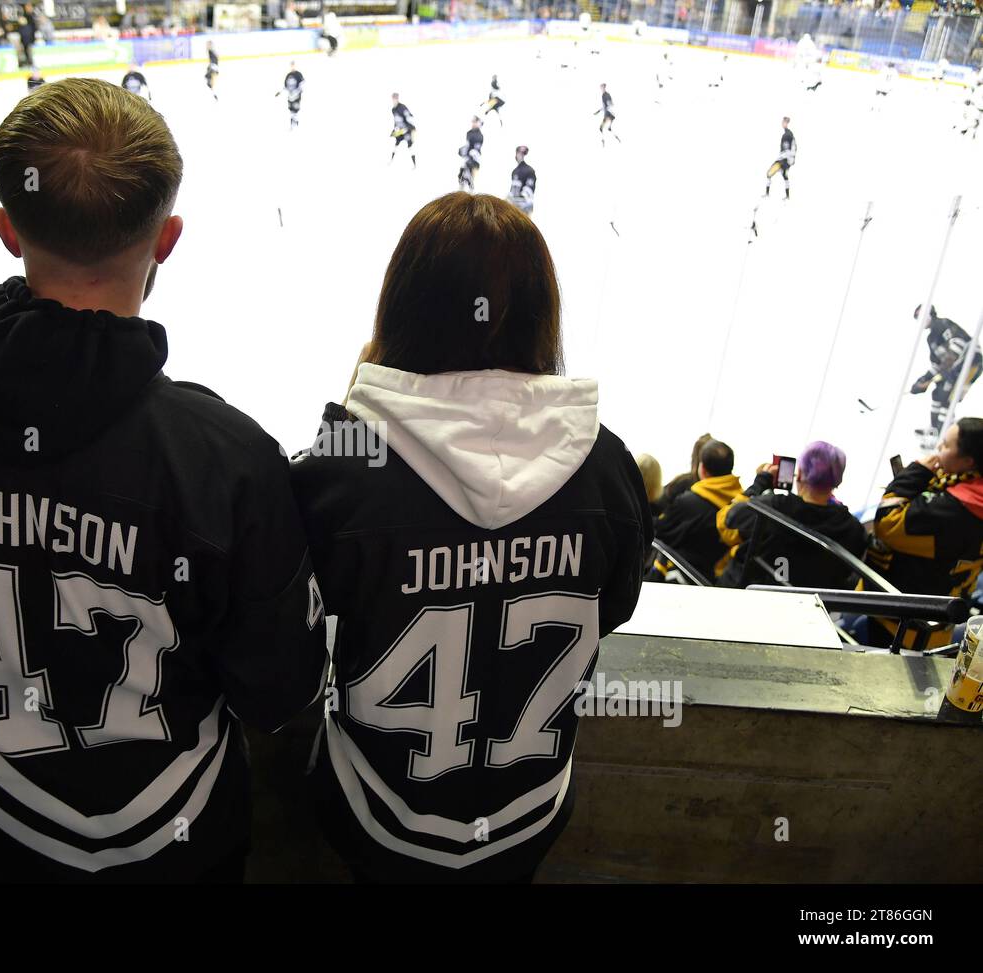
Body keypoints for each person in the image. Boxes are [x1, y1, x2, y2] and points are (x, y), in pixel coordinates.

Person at [0, 78, 327, 882]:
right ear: (167, 239)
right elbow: (281, 693)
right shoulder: (224, 458)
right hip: (180, 832)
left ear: (7, 230)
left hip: (12, 819)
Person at [291, 191, 651, 883]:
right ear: (543, 313)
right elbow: (614, 605)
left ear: (403, 305)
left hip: (373, 815)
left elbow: (299, 626)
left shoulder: (344, 459)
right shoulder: (608, 467)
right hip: (530, 816)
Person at [864, 419, 983, 649]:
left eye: (946, 446)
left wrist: (915, 473)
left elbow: (886, 522)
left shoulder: (951, 510)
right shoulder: (970, 494)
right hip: (937, 623)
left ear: (968, 462)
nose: (939, 449)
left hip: (901, 626)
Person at [716, 442, 866, 590]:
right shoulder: (853, 529)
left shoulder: (773, 507)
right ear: (838, 480)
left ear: (799, 474)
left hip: (752, 597)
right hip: (810, 608)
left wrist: (760, 483)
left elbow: (725, 522)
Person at [647, 440, 741, 582]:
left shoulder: (688, 502)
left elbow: (661, 530)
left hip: (684, 574)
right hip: (720, 579)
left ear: (701, 469)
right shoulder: (741, 504)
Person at [910, 304, 982, 446]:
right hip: (955, 369)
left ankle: (944, 438)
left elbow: (958, 345)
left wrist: (943, 371)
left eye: (922, 315)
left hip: (971, 363)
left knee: (948, 397)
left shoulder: (942, 324)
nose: (920, 319)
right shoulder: (931, 339)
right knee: (938, 393)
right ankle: (935, 430)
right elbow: (937, 365)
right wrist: (924, 380)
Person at [764, 116, 795, 200]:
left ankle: (767, 194)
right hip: (786, 161)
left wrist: (785, 160)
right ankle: (787, 196)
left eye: (783, 122)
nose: (782, 123)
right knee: (785, 177)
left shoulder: (787, 135)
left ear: (786, 123)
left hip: (783, 161)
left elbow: (788, 149)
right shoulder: (788, 134)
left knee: (769, 174)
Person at [388, 92, 416, 167]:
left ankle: (414, 164)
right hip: (399, 131)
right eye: (393, 98)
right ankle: (391, 161)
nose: (394, 100)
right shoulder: (393, 110)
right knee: (395, 145)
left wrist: (411, 127)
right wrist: (395, 129)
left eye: (396, 98)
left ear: (398, 99)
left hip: (406, 130)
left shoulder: (402, 107)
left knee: (410, 147)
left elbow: (409, 116)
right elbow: (396, 121)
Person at [508, 145, 536, 214]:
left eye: (523, 153)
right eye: (519, 153)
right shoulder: (515, 171)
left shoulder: (530, 170)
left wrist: (520, 199)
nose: (520, 155)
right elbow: (512, 190)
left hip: (524, 206)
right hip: (514, 205)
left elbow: (529, 189)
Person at [457, 115, 482, 191]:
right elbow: (467, 146)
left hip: (474, 161)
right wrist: (462, 150)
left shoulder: (479, 135)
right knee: (461, 177)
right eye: (473, 122)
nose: (473, 124)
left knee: (470, 181)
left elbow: (476, 150)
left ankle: (471, 195)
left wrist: (471, 157)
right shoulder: (469, 133)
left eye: (475, 122)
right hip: (467, 159)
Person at [276, 60, 303, 130]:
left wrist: (298, 91)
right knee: (291, 110)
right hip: (290, 96)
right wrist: (280, 92)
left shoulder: (298, 74)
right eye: (291, 65)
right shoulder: (288, 75)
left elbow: (302, 84)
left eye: (293, 65)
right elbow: (286, 86)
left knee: (295, 110)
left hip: (297, 96)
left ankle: (296, 125)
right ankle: (292, 124)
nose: (292, 67)